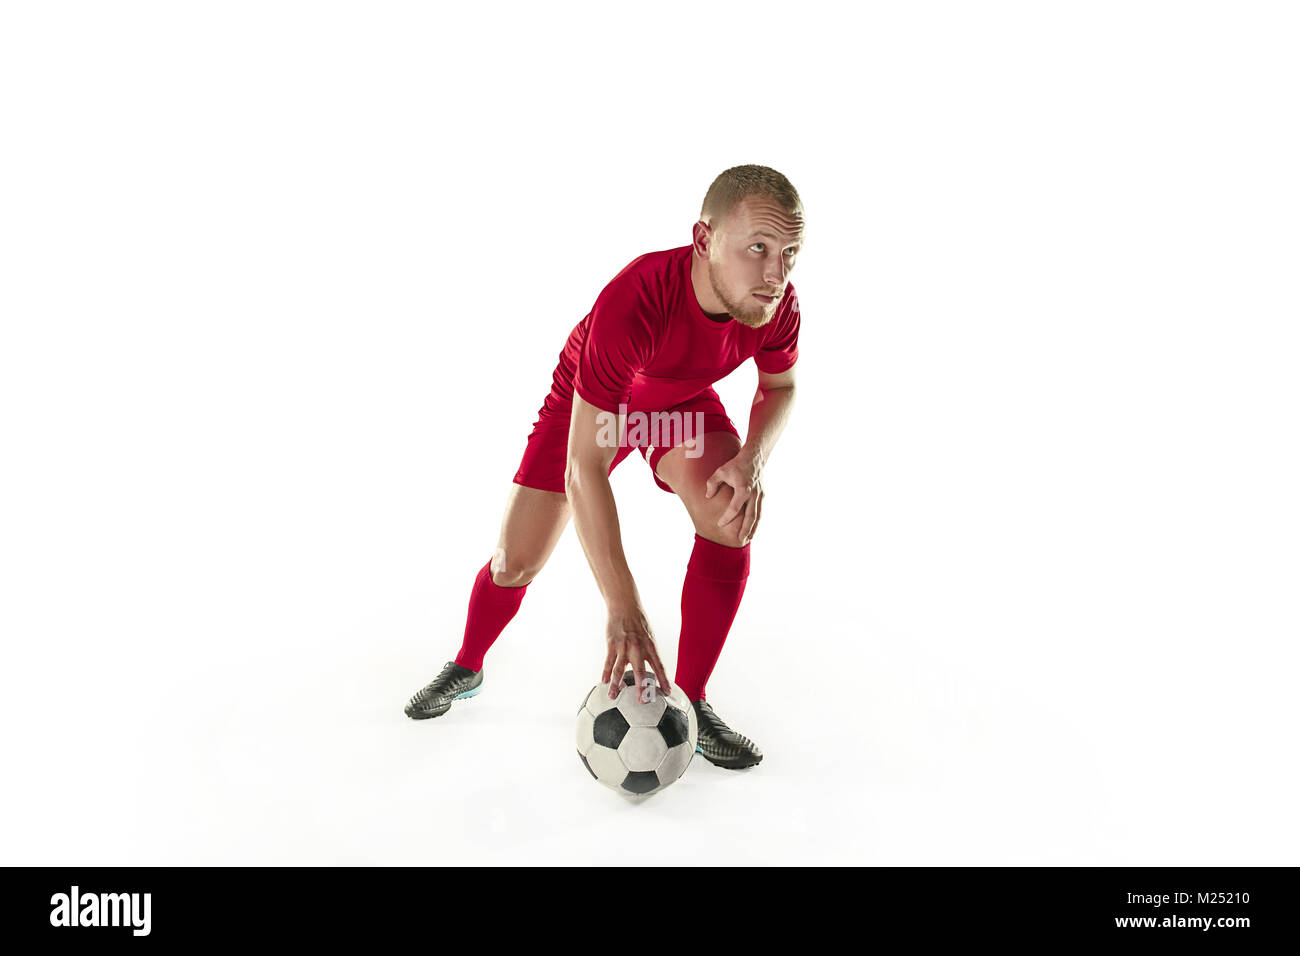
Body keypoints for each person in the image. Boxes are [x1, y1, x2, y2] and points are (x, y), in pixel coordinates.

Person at [404, 164, 804, 770]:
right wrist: (624, 607)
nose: (775, 273)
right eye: (757, 249)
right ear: (703, 241)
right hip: (592, 408)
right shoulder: (636, 298)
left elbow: (780, 385)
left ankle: (691, 704)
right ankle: (466, 664)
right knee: (515, 561)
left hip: (677, 407)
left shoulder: (775, 304)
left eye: (789, 253)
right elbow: (585, 465)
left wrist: (752, 459)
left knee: (729, 514)